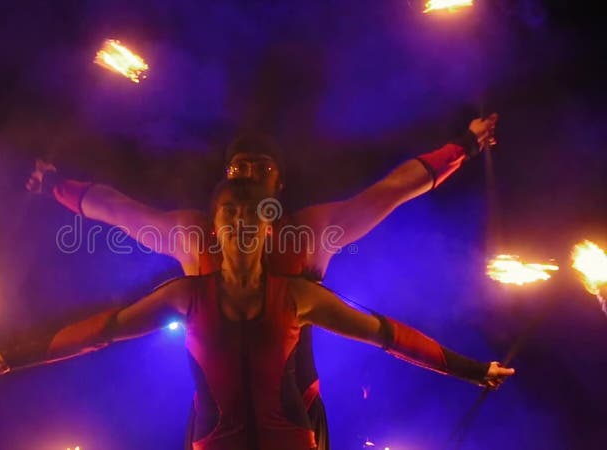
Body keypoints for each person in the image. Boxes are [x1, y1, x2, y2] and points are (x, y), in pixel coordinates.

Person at [25, 115, 499, 449]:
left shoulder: (309, 233)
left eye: (261, 168)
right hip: (221, 419)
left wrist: (464, 146)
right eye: (240, 169)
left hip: (295, 412)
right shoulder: (195, 234)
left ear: (279, 186)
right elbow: (118, 210)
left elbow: (392, 191)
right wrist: (55, 186)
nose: (250, 174)